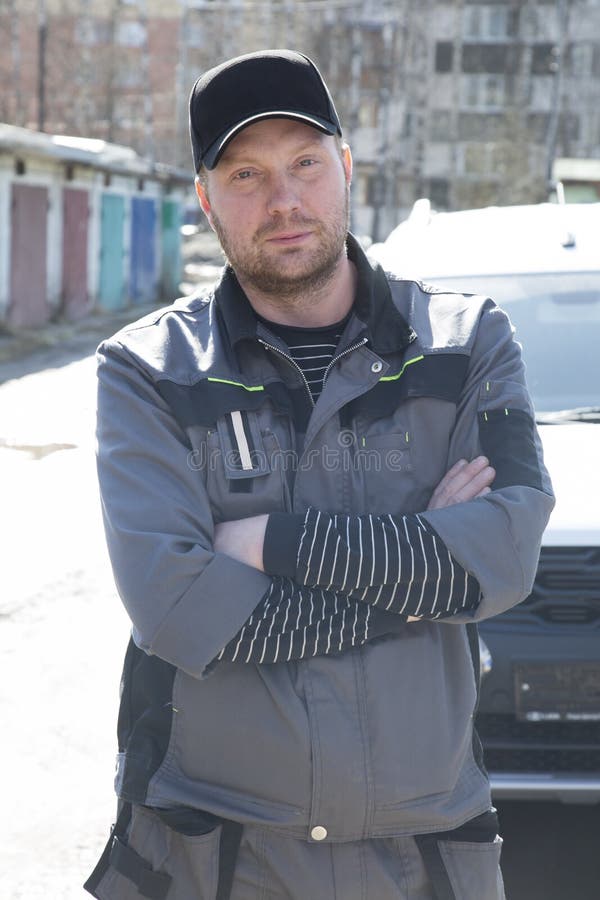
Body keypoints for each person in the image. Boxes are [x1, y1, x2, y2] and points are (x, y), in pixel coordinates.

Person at [85, 49, 554, 900]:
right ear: (205, 198)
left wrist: (272, 543)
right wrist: (422, 583)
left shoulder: (464, 343)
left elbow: (505, 560)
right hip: (217, 860)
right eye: (246, 174)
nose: (283, 200)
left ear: (345, 166)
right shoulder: (147, 372)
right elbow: (186, 615)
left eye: (304, 163)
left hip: (425, 862)